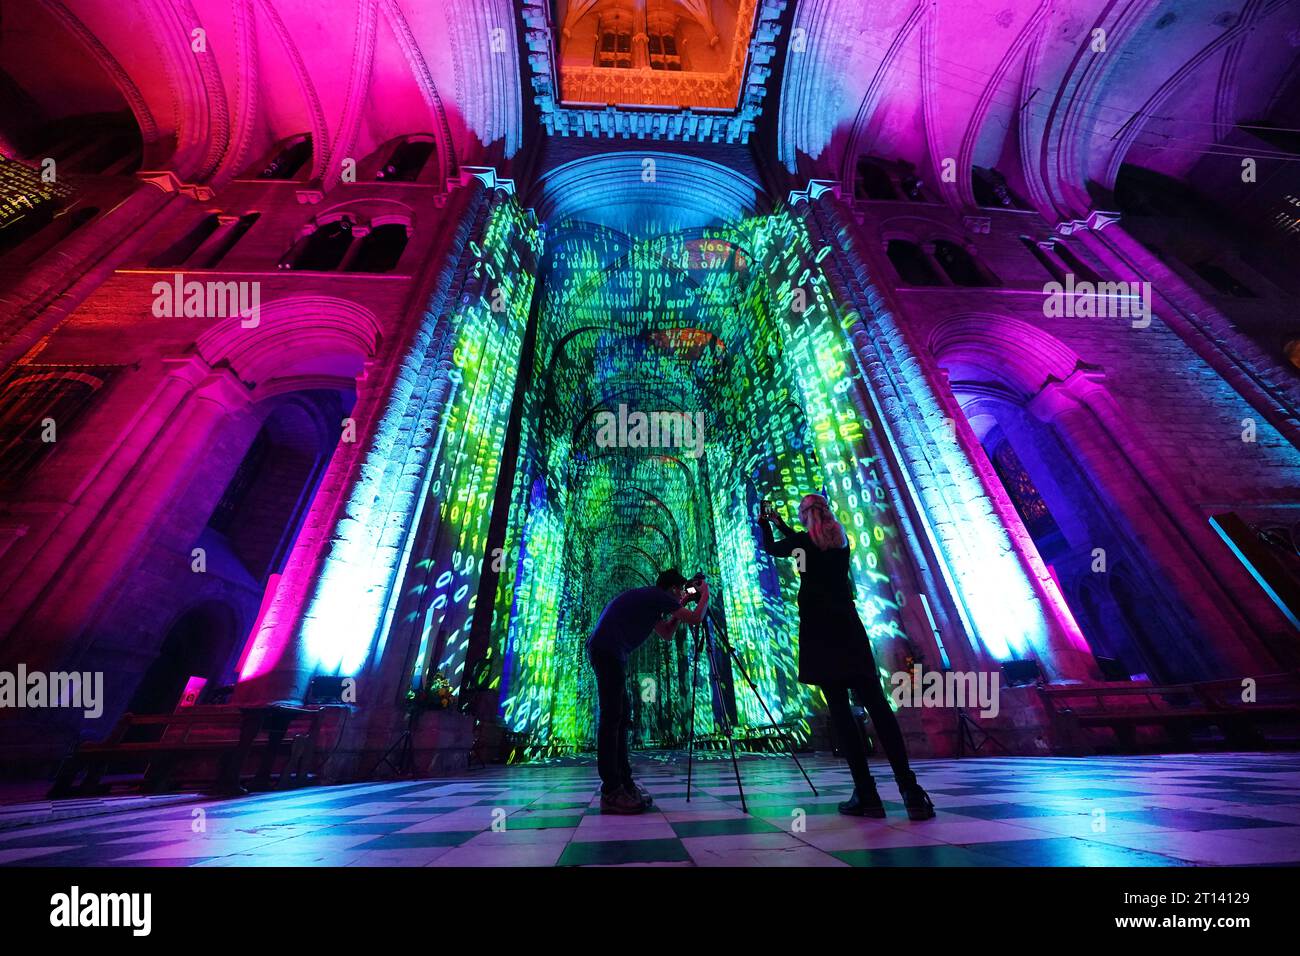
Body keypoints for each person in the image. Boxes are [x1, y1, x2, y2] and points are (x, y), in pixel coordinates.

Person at [758, 494, 935, 820]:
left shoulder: (801, 544)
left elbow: (775, 548)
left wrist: (765, 525)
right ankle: (910, 789)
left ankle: (866, 793)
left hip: (819, 630)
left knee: (841, 713)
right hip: (848, 626)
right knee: (878, 706)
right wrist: (783, 523)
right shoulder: (840, 541)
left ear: (804, 516)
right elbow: (808, 541)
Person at [586, 569, 710, 814]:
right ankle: (611, 790)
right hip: (608, 651)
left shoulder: (652, 601)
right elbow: (695, 619)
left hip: (608, 651)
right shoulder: (657, 596)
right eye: (681, 590)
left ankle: (624, 783)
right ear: (673, 588)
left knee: (621, 719)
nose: (683, 594)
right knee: (613, 719)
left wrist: (681, 605)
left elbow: (665, 633)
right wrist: (704, 595)